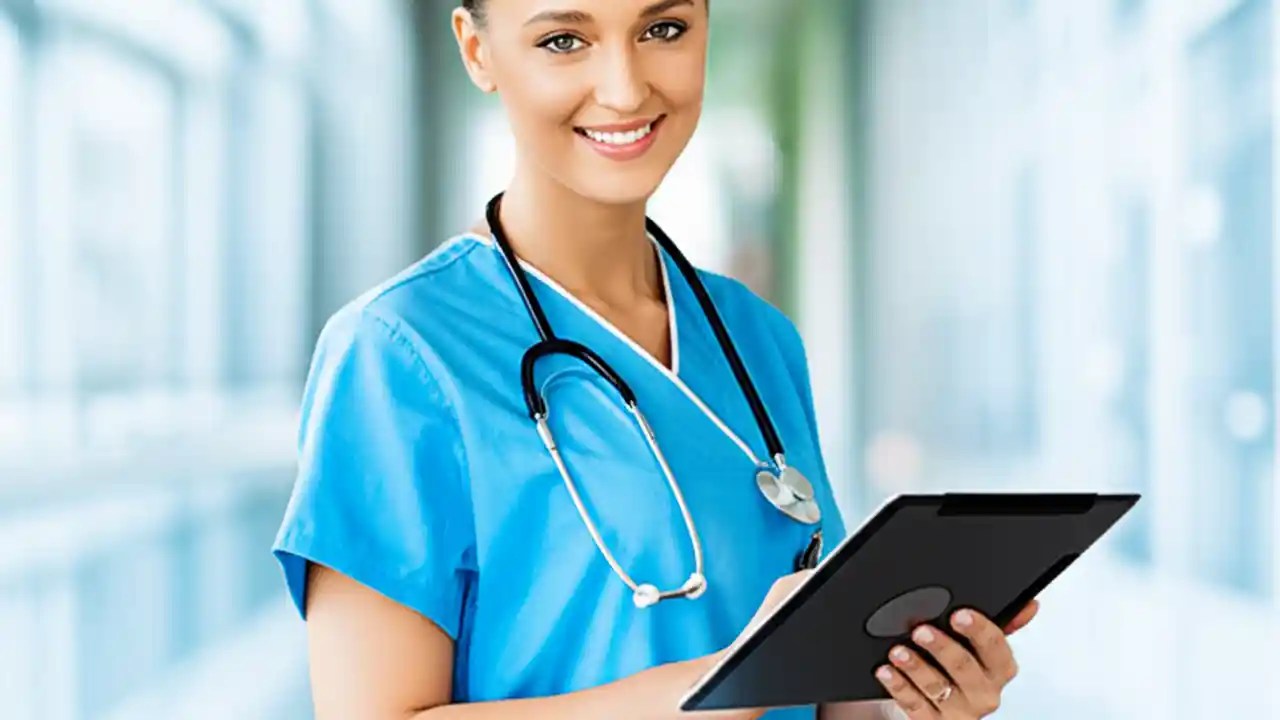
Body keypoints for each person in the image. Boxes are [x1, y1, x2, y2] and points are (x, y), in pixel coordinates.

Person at [271, 1, 1040, 718]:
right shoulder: (397, 352)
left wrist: (915, 693)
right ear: (479, 51)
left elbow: (818, 690)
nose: (625, 87)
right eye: (562, 40)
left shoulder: (755, 337)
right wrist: (714, 688)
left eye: (663, 29)